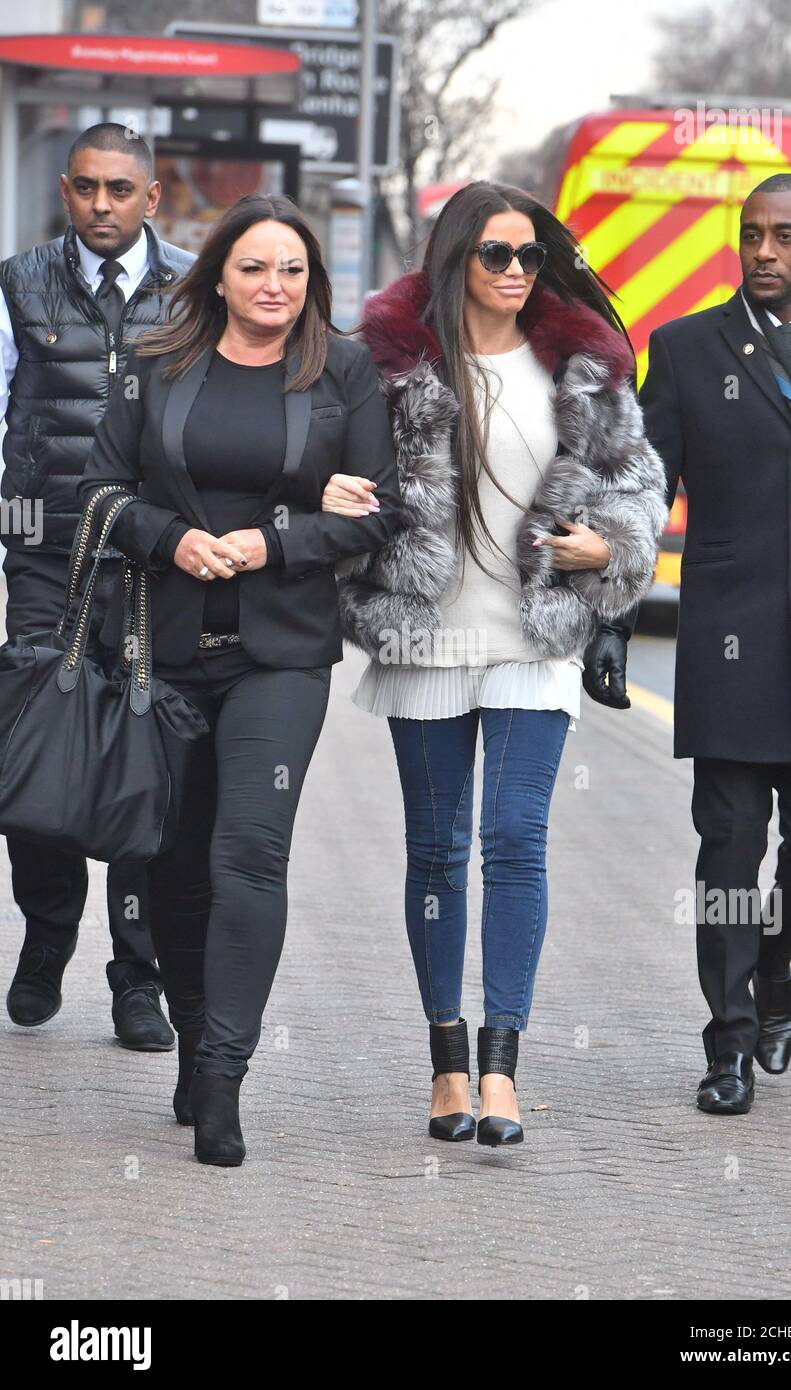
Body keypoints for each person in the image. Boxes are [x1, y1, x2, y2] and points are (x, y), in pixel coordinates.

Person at [324, 182, 667, 1146]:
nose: (516, 272)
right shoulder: (385, 364)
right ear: (454, 259)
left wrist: (613, 549)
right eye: (495, 255)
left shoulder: (581, 363)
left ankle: (504, 1069)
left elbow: (633, 482)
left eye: (528, 255)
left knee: (515, 841)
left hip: (536, 635)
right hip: (426, 636)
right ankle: (445, 1065)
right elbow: (333, 468)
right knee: (436, 851)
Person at [79, 193, 401, 1165]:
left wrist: (275, 539)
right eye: (256, 267)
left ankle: (224, 1073)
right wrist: (172, 541)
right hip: (165, 647)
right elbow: (98, 491)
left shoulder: (342, 369)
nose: (275, 286)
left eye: (293, 270)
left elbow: (376, 513)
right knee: (173, 861)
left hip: (282, 652)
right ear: (217, 272)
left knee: (247, 855)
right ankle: (186, 1033)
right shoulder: (152, 366)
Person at [640, 173, 791, 1115]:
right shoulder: (688, 349)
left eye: (783, 237)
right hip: (728, 646)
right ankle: (726, 1041)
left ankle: (773, 968)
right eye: (750, 235)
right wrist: (610, 615)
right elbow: (639, 492)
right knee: (727, 850)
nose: (763, 252)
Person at [0, 123, 193, 1048]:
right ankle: (46, 935)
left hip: (154, 562)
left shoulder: (198, 288)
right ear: (66, 193)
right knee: (32, 753)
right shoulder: (17, 283)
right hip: (43, 556)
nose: (102, 206)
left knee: (140, 770)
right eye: (86, 188)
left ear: (150, 197)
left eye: (121, 189)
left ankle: (137, 979)